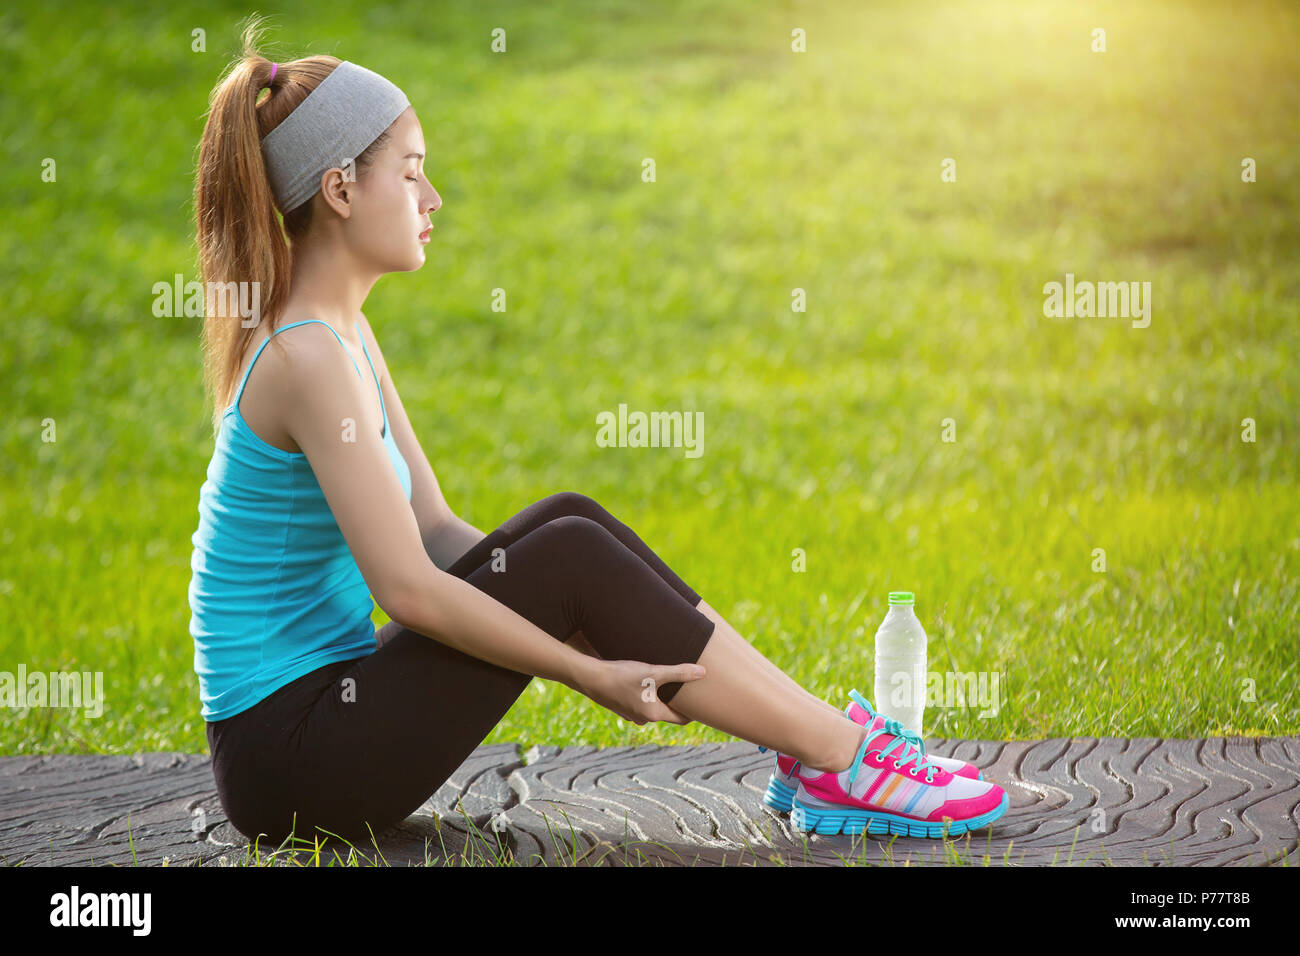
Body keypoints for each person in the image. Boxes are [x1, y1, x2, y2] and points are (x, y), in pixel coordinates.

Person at [187, 19, 1008, 851]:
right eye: (412, 174)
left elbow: (436, 533)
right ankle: (842, 758)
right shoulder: (306, 356)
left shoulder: (340, 331)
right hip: (290, 763)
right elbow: (407, 589)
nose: (434, 200)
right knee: (568, 555)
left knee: (564, 526)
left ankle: (820, 747)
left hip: (321, 723)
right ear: (339, 190)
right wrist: (585, 668)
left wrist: (585, 607)